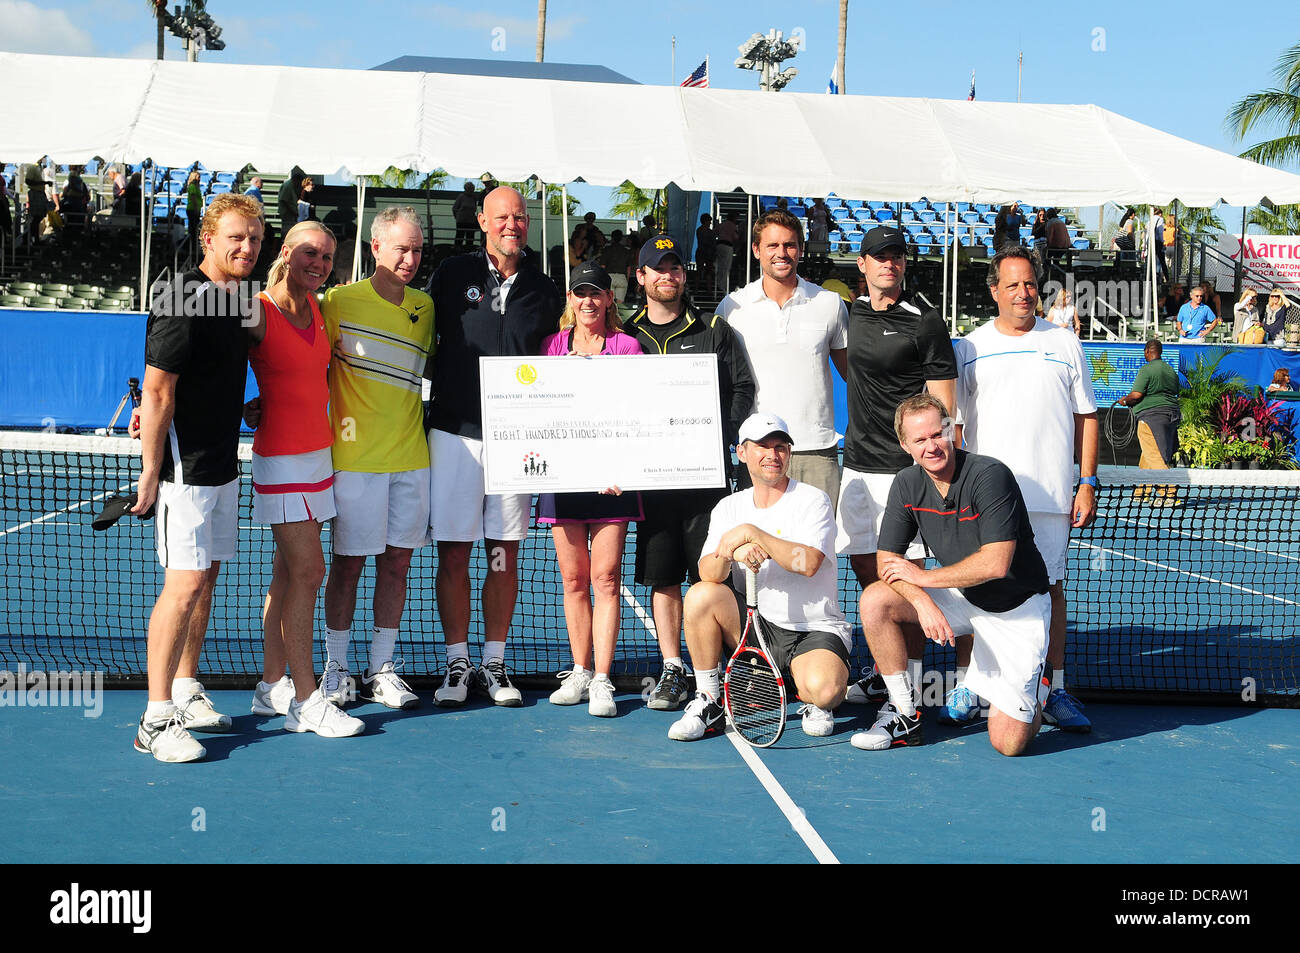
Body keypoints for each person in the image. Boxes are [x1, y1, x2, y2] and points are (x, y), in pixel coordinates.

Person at [130, 193, 265, 762]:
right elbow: (159, 389)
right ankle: (154, 720)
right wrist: (150, 473)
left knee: (206, 578)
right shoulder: (181, 295)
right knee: (183, 584)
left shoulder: (245, 301)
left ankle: (185, 688)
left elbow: (220, 375)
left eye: (255, 239)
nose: (246, 247)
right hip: (184, 468)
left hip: (223, 463)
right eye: (235, 237)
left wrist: (248, 408)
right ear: (207, 239)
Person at [948, 245, 1098, 733]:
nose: (1023, 293)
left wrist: (1087, 481)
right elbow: (957, 427)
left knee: (1050, 589)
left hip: (1051, 498)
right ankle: (971, 683)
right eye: (1011, 284)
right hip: (986, 499)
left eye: (1030, 284)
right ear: (994, 291)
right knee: (976, 586)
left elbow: (1087, 418)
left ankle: (1051, 688)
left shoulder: (1066, 342)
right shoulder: (969, 346)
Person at [851, 394, 1052, 756]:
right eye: (920, 439)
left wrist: (924, 581)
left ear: (951, 431)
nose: (932, 446)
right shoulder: (907, 483)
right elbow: (886, 561)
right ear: (905, 445)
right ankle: (904, 712)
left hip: (1016, 609)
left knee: (1009, 744)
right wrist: (921, 602)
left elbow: (995, 564)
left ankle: (1038, 688)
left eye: (937, 434)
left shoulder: (990, 475)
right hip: (963, 597)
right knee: (876, 599)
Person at [424, 186, 564, 707]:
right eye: (502, 216)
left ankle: (495, 663)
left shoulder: (547, 291)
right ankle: (458, 662)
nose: (513, 224)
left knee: (504, 555)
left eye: (521, 217)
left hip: (517, 446)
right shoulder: (451, 275)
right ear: (482, 221)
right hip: (455, 436)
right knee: (455, 553)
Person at [626, 233, 754, 711]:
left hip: (706, 480)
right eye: (658, 269)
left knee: (711, 574)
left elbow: (742, 387)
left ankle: (718, 669)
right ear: (641, 277)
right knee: (663, 577)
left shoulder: (714, 328)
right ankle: (672, 668)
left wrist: (719, 436)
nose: (668, 276)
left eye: (675, 268)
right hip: (652, 482)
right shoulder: (628, 335)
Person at [246, 221, 363, 736]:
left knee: (287, 575)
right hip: (282, 461)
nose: (319, 263)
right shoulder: (255, 308)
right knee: (311, 573)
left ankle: (271, 685)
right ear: (288, 252)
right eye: (310, 253)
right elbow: (202, 358)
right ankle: (306, 698)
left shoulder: (318, 306)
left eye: (327, 256)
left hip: (320, 457)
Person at [669, 413, 851, 741]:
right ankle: (709, 697)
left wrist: (754, 534)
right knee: (701, 594)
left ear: (789, 453)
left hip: (812, 630)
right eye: (762, 447)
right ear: (742, 453)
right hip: (755, 628)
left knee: (825, 691)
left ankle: (801, 689)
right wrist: (732, 552)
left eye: (780, 447)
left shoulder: (813, 500)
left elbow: (808, 563)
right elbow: (707, 572)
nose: (773, 455)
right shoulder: (728, 507)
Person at [320, 206, 434, 712]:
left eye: (416, 250)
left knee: (397, 567)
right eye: (401, 249)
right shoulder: (338, 301)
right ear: (375, 249)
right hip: (354, 460)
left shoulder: (425, 308)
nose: (409, 259)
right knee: (347, 568)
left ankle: (380, 667)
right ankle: (335, 666)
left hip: (413, 459)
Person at [838, 225, 957, 707]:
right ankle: (886, 672)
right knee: (870, 577)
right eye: (879, 256)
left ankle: (906, 688)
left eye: (897, 256)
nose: (889, 263)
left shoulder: (924, 321)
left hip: (901, 474)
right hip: (855, 469)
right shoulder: (851, 315)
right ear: (862, 265)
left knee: (906, 578)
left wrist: (935, 472)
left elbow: (943, 409)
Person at [540, 261, 643, 717]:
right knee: (574, 579)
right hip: (563, 478)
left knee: (606, 579)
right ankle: (579, 670)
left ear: (608, 298)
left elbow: (637, 414)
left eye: (596, 293)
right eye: (580, 293)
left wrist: (624, 466)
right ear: (570, 299)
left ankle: (601, 678)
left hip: (611, 482)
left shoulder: (628, 347)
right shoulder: (550, 347)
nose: (588, 301)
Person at [720, 208, 848, 509]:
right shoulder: (731, 307)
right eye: (772, 245)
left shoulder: (829, 303)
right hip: (757, 449)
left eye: (790, 245)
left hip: (817, 449)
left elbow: (853, 375)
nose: (782, 253)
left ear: (801, 250)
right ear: (756, 250)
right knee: (758, 553)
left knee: (818, 553)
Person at [1116, 340, 1182, 504]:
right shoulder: (1170, 370)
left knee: (1154, 455)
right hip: (1171, 416)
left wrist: (1125, 400)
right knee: (1148, 453)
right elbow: (1174, 391)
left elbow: (1137, 395)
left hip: (1151, 417)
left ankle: (1170, 492)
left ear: (1147, 352)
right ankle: (1141, 491)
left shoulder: (1146, 369)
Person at [598, 229, 633, 305]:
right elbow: (628, 268)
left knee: (610, 303)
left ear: (612, 237)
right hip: (622, 277)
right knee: (620, 303)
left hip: (609, 277)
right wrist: (626, 279)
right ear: (621, 238)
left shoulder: (607, 250)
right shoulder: (626, 251)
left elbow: (602, 266)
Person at [714, 211, 740, 295]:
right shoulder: (733, 226)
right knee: (726, 266)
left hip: (719, 244)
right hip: (727, 245)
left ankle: (719, 283)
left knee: (720, 265)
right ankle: (721, 285)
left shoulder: (722, 224)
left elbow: (715, 232)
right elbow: (735, 237)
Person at [452, 181, 479, 250]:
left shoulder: (474, 198)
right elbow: (454, 208)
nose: (471, 190)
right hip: (461, 221)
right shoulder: (461, 197)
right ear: (466, 189)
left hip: (471, 221)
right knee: (459, 237)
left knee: (470, 238)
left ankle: (469, 251)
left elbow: (475, 209)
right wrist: (457, 218)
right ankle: (457, 251)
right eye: (469, 188)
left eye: (472, 189)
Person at [694, 214, 716, 293]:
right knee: (707, 271)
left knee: (700, 271)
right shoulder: (709, 232)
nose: (710, 223)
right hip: (706, 252)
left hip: (701, 251)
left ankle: (698, 289)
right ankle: (708, 289)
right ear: (706, 221)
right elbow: (711, 242)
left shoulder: (699, 230)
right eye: (709, 221)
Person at [185, 171, 203, 259]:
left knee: (195, 229)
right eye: (198, 177)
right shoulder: (192, 186)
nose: (199, 179)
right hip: (192, 209)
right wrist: (196, 208)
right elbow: (193, 198)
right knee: (193, 229)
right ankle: (191, 247)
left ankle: (194, 246)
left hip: (196, 209)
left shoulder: (196, 187)